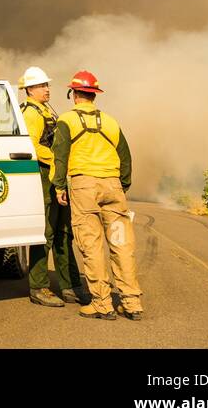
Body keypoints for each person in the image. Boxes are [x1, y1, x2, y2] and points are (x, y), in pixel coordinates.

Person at [51, 71, 143, 321]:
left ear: (74, 94)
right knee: (121, 244)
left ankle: (102, 304)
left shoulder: (67, 121)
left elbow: (60, 156)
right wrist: (122, 185)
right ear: (94, 95)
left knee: (92, 246)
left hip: (84, 188)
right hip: (112, 187)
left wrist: (59, 186)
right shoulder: (111, 121)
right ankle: (131, 302)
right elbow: (125, 157)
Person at [18, 67, 83, 307]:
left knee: (64, 233)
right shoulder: (30, 113)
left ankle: (70, 286)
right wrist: (58, 158)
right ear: (29, 89)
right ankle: (39, 287)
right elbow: (32, 147)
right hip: (44, 176)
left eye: (47, 85)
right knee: (44, 234)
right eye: (42, 85)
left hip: (56, 175)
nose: (47, 89)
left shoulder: (46, 110)